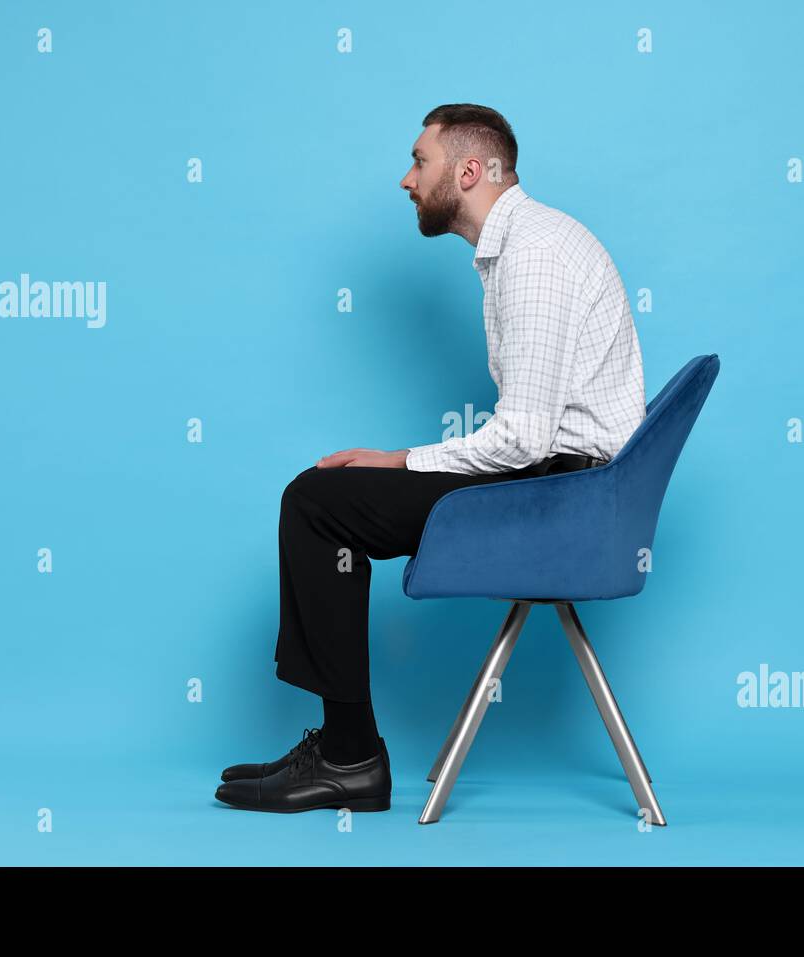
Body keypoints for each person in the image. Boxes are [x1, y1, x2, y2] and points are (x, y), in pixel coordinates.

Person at [215, 103, 646, 813]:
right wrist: (398, 463)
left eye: (420, 160)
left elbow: (524, 440)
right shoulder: (522, 247)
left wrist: (398, 461)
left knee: (317, 503)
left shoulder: (534, 255)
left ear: (470, 171)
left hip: (566, 500)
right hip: (565, 488)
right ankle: (342, 747)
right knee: (322, 492)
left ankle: (349, 755)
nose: (406, 179)